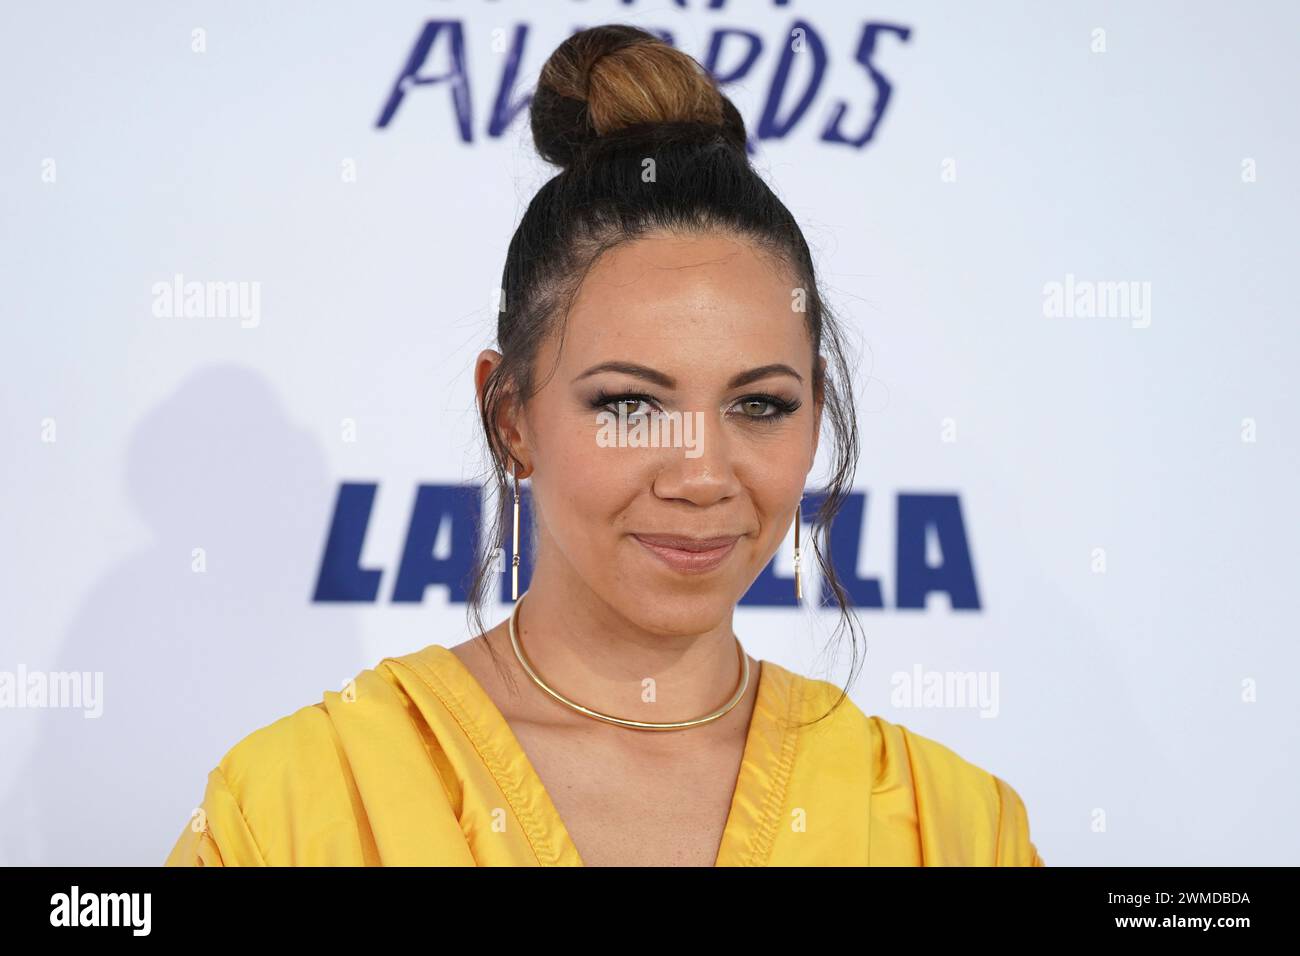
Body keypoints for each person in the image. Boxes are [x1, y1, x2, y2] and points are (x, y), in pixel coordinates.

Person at [164, 24, 1044, 867]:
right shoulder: (298, 805)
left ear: (817, 413)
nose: (701, 474)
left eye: (761, 405)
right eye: (629, 403)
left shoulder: (951, 826)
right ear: (509, 415)